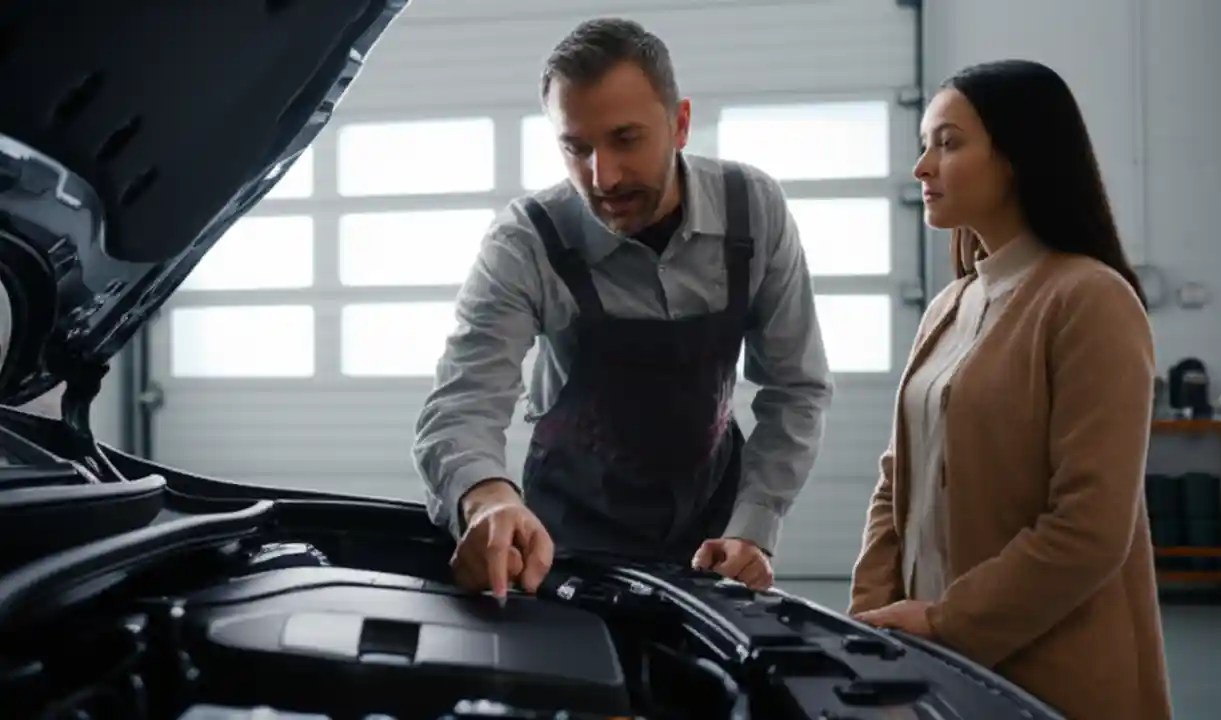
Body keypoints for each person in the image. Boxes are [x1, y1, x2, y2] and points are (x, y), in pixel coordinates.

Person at [413, 18, 832, 602]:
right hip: (561, 546)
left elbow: (797, 389)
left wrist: (754, 529)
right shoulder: (525, 241)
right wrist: (488, 499)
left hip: (712, 546)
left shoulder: (753, 211)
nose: (601, 176)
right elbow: (463, 402)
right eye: (576, 147)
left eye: (625, 139)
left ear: (680, 123)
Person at [847, 59, 1173, 720]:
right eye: (923, 146)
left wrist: (945, 621)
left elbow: (1089, 527)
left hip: (1052, 676)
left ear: (1017, 157)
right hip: (932, 667)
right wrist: (870, 620)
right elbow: (895, 485)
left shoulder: (1090, 299)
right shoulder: (949, 306)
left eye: (948, 142)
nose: (922, 168)